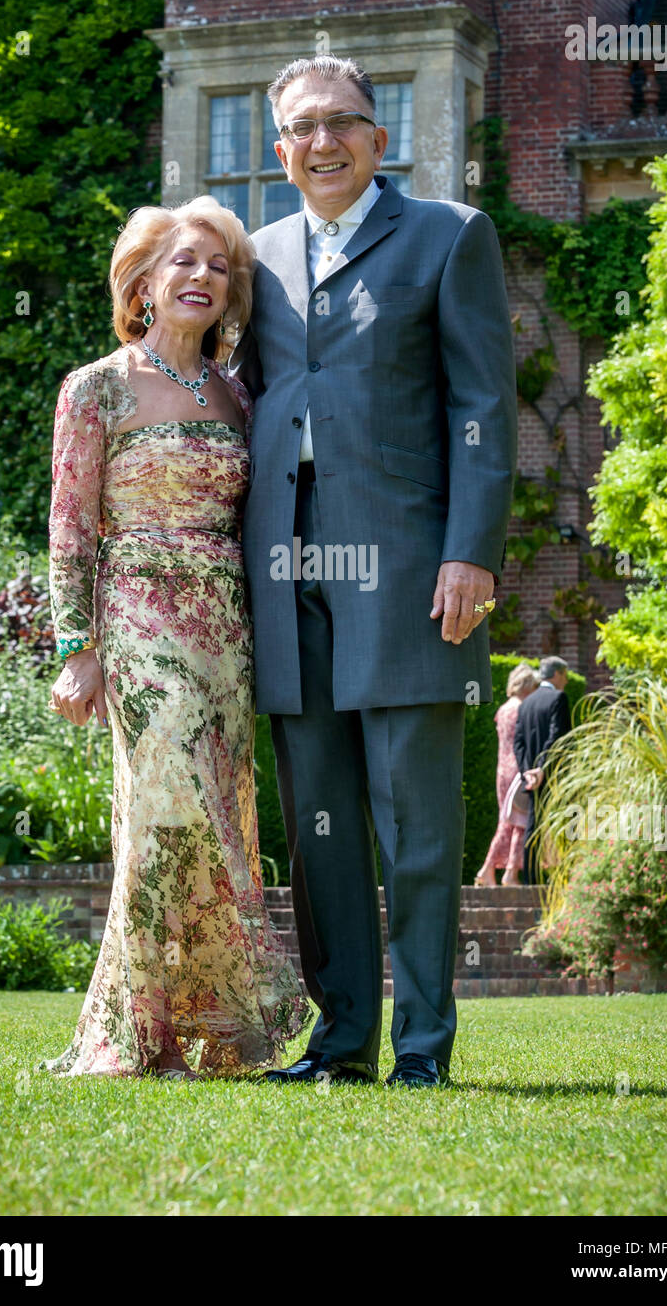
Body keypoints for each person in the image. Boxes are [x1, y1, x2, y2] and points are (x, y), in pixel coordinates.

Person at [232, 55, 517, 1088]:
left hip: (406, 569)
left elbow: (481, 405)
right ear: (279, 151)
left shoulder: (449, 234)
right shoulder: (252, 257)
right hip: (285, 569)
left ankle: (426, 1051)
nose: (323, 142)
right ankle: (342, 1040)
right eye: (302, 128)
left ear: (377, 136)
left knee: (416, 827)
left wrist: (471, 552)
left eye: (343, 122)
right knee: (320, 831)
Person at [39, 198, 310, 1080]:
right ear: (145, 281)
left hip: (227, 629)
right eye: (184, 263)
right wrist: (77, 649)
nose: (201, 278)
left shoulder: (240, 392)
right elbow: (71, 529)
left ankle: (217, 1030)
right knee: (165, 811)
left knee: (220, 820)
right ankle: (135, 1033)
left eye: (219, 267)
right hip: (138, 621)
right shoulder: (97, 387)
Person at [475, 661, 540, 887]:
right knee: (517, 819)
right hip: (518, 768)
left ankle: (502, 871)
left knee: (510, 819)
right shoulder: (522, 708)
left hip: (502, 768)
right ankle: (498, 869)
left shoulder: (503, 708)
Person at [513, 655, 572, 885]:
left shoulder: (526, 702)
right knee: (564, 823)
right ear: (556, 674)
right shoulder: (558, 698)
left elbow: (518, 742)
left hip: (531, 778)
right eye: (565, 676)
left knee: (533, 825)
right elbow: (558, 737)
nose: (566, 681)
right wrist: (543, 769)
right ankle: (564, 877)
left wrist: (527, 772)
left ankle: (531, 879)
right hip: (553, 775)